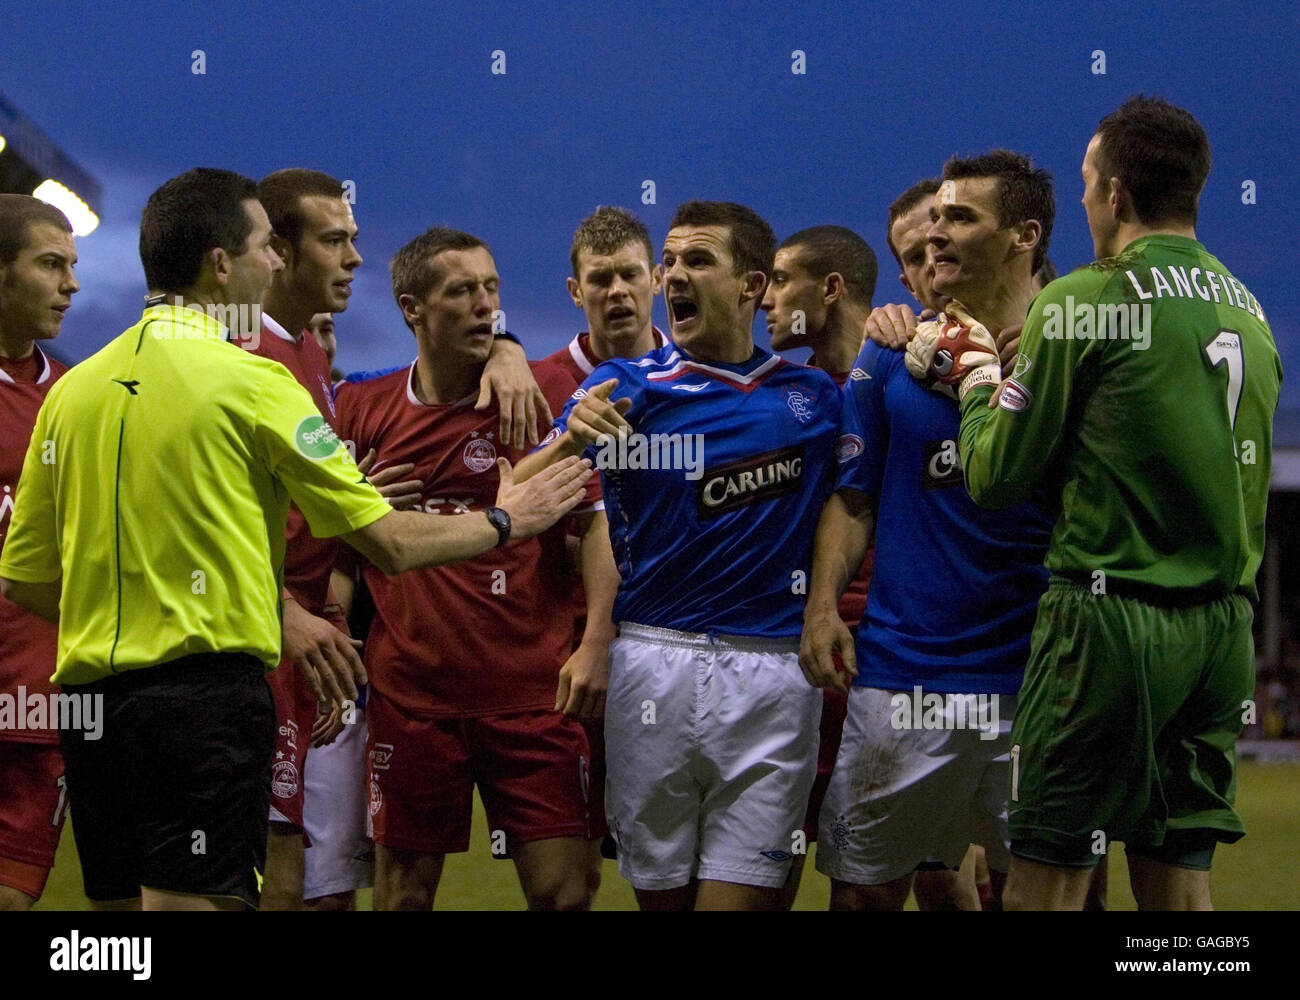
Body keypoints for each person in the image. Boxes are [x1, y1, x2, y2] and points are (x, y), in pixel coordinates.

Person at [0, 168, 591, 912]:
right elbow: (390, 543)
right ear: (221, 264)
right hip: (204, 700)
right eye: (262, 248)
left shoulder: (74, 391)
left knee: (121, 934)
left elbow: (24, 578)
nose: (275, 263)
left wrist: (131, 610)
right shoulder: (253, 383)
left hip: (93, 708)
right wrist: (510, 521)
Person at [935, 96, 1281, 910]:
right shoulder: (1252, 312)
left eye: (1090, 184)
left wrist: (978, 375)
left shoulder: (1081, 299)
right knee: (1181, 887)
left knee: (1044, 886)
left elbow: (993, 478)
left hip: (1109, 624)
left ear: (1116, 194)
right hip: (1220, 631)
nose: (1086, 203)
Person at [521, 200, 842, 910]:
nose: (674, 277)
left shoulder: (813, 399)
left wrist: (821, 606)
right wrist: (572, 437)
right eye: (670, 263)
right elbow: (515, 491)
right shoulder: (629, 387)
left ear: (752, 286)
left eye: (698, 261)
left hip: (770, 671)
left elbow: (846, 508)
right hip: (653, 669)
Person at [800, 153, 1056, 911]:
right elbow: (853, 498)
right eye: (922, 235)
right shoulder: (886, 356)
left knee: (1055, 896)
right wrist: (820, 606)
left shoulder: (1071, 348)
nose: (933, 243)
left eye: (953, 223)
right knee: (863, 898)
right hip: (907, 678)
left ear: (1021, 237)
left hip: (1043, 680)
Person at [334, 227, 605, 910]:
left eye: (492, 289)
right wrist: (334, 622)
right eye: (463, 291)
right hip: (413, 697)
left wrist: (596, 638)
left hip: (532, 695)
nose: (486, 305)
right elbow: (333, 550)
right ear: (411, 308)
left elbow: (592, 520)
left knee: (567, 893)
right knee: (401, 898)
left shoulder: (539, 399)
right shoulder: (359, 409)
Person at [530, 205, 669, 896]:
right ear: (574, 291)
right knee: (575, 877)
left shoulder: (704, 372)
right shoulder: (534, 382)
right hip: (569, 657)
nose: (616, 291)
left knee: (676, 857)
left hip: (683, 651)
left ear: (659, 279)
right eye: (599, 278)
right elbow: (512, 494)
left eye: (629, 275)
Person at [760, 223, 876, 908]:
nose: (765, 300)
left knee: (878, 882)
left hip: (885, 661)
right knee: (767, 868)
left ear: (828, 289)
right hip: (787, 660)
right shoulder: (781, 394)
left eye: (779, 281)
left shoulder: (910, 378)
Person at [0, 195, 78, 910]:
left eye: (73, 266)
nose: (71, 284)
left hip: (35, 700)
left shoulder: (76, 398)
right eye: (51, 264)